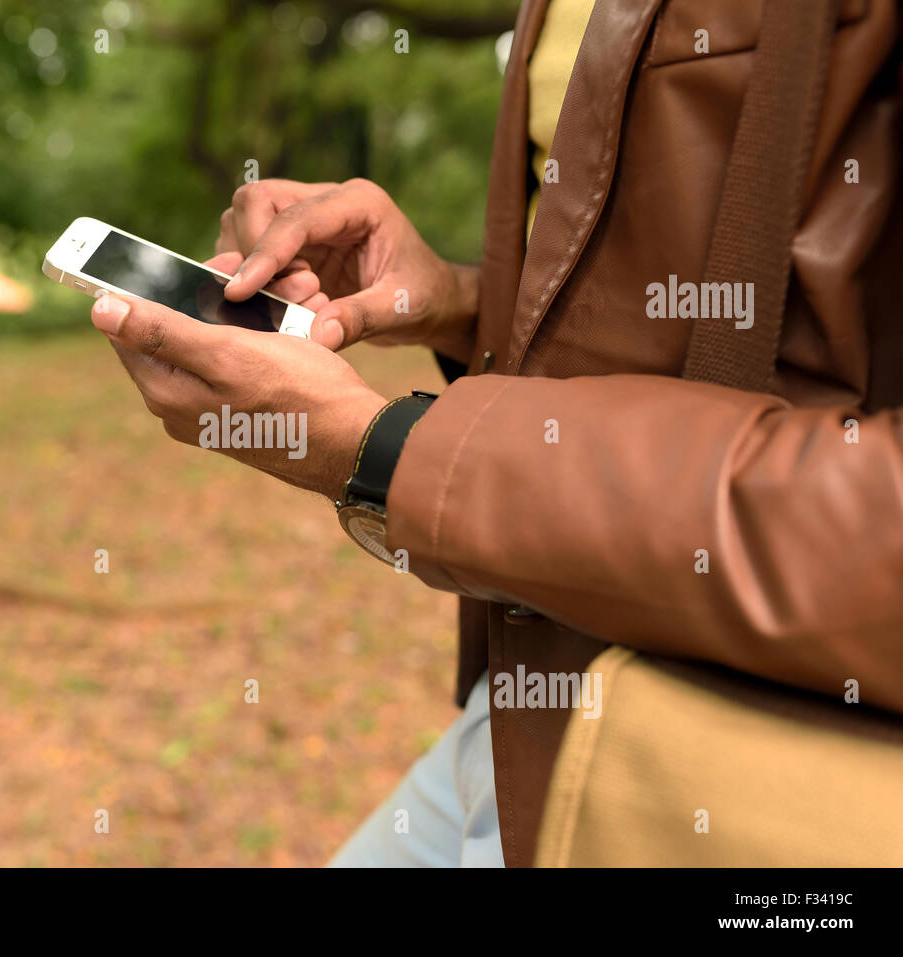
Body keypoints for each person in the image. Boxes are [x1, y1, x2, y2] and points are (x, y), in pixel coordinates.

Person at [88, 0, 903, 866]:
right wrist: (459, 303)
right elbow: (683, 332)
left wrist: (385, 449)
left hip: (733, 762)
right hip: (532, 701)